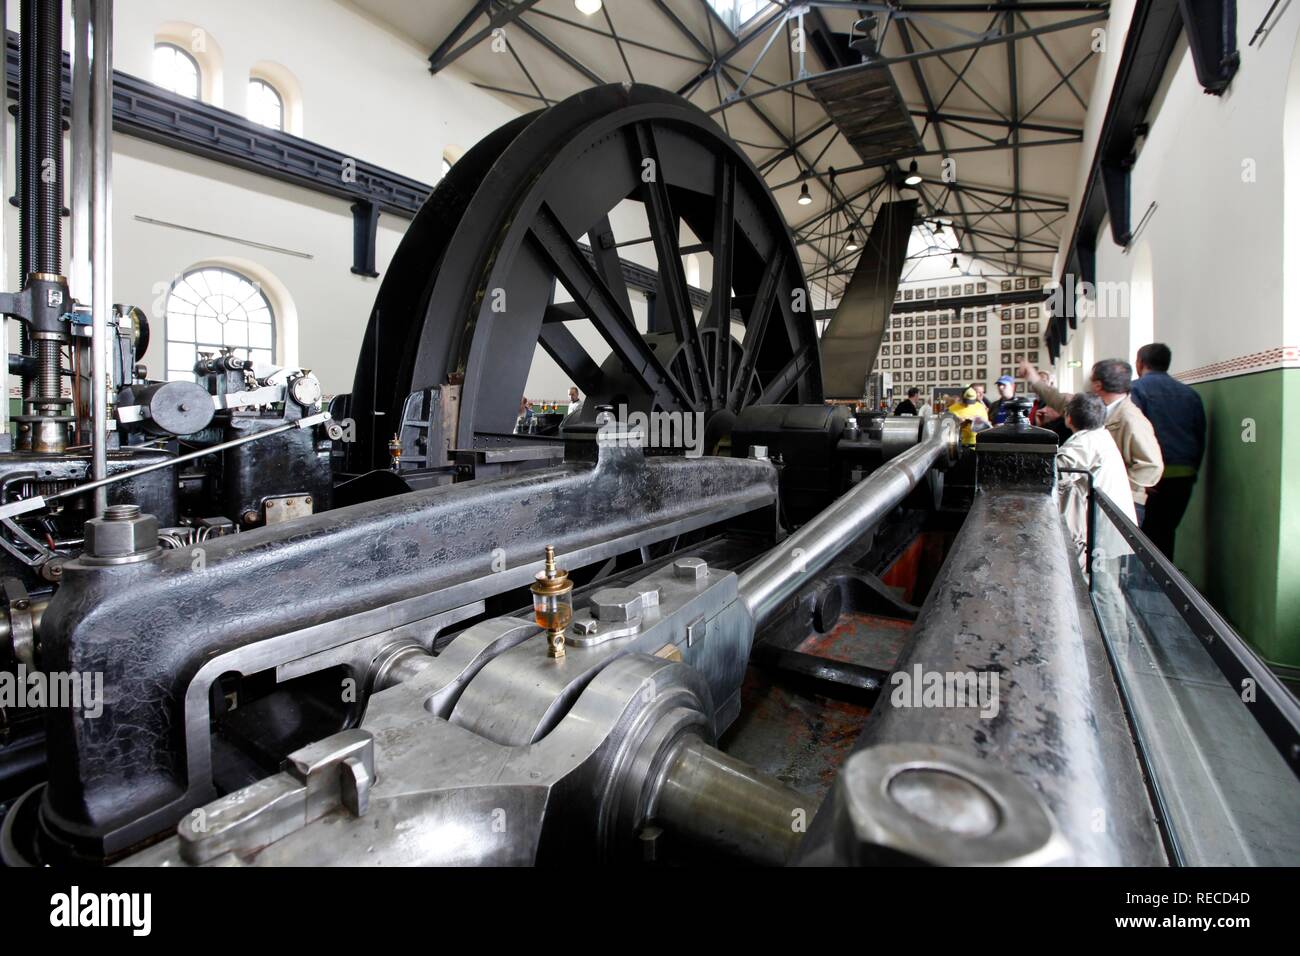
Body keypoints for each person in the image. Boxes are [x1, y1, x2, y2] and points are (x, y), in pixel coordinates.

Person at [1019, 358, 1162, 517]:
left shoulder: (1130, 419)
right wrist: (1035, 380)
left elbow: (1152, 465)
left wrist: (1119, 483)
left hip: (1121, 502)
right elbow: (1060, 400)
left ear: (1097, 385)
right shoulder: (1095, 406)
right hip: (1093, 497)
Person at [1130, 343, 1206, 559]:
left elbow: (1135, 435)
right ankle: (1165, 588)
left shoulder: (1136, 390)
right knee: (1165, 533)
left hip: (1152, 478)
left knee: (1143, 536)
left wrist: (1142, 476)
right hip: (1183, 476)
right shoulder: (1190, 394)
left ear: (1140, 363)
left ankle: (1143, 588)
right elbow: (1199, 436)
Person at [1056, 392, 1138, 567]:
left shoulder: (1085, 443)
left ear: (1069, 418)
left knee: (1095, 585)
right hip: (1111, 529)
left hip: (1099, 534)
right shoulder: (1100, 436)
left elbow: (1055, 470)